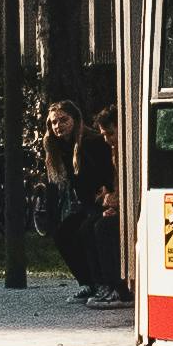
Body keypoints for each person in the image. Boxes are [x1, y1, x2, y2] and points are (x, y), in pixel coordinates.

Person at [40, 97, 124, 298]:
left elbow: (108, 169)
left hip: (103, 200)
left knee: (88, 230)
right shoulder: (57, 148)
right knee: (63, 232)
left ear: (75, 119)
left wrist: (109, 192)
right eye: (53, 122)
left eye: (63, 120)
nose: (58, 126)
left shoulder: (92, 141)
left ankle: (103, 282)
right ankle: (88, 283)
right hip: (89, 204)